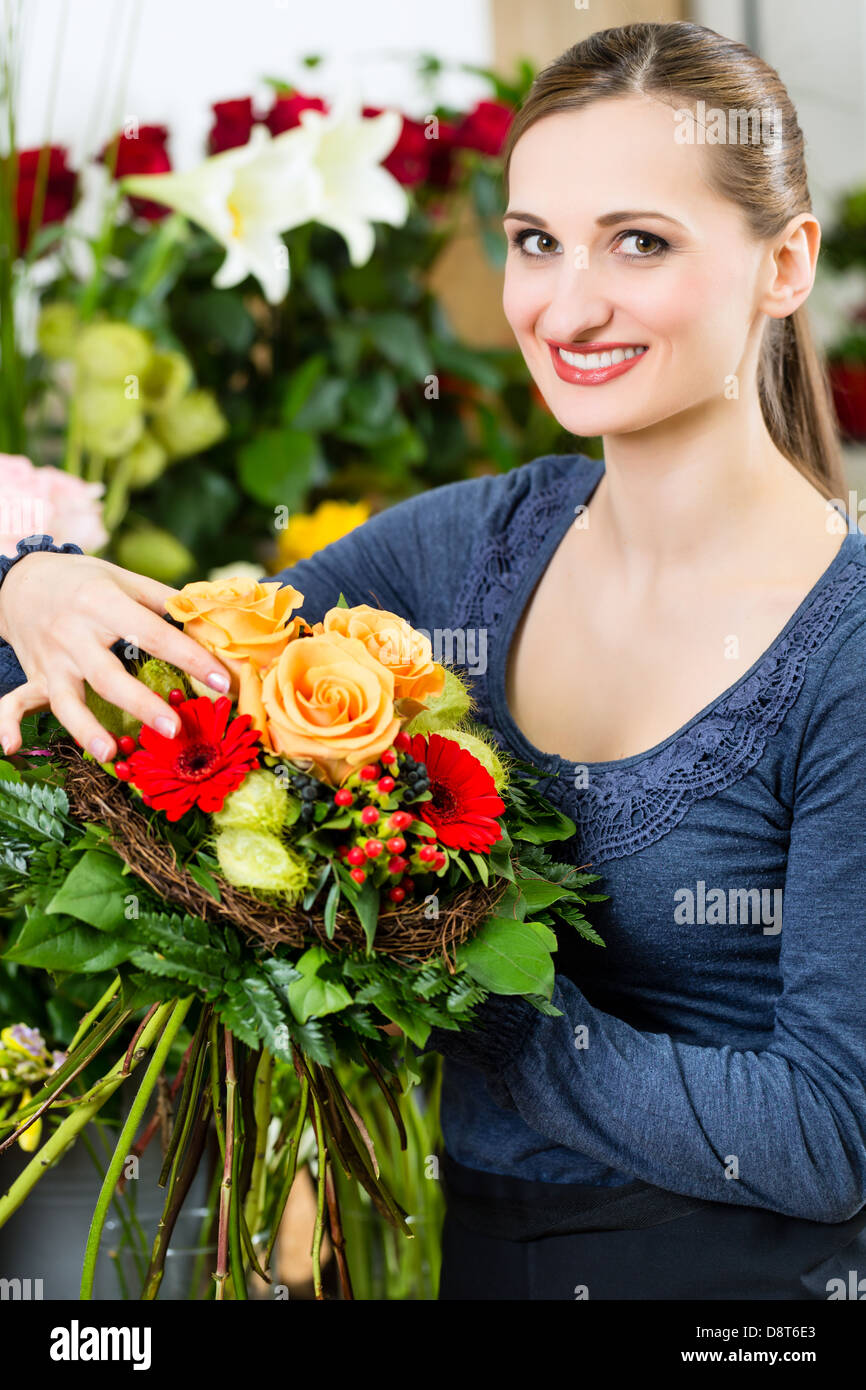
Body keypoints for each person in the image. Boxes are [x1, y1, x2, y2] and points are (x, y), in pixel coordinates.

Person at [1, 20, 865, 1299]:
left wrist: (448, 972)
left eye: (639, 242)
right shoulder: (473, 544)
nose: (566, 305)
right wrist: (34, 581)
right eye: (535, 242)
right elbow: (172, 682)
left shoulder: (843, 647)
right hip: (450, 1259)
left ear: (783, 262)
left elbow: (825, 1136)